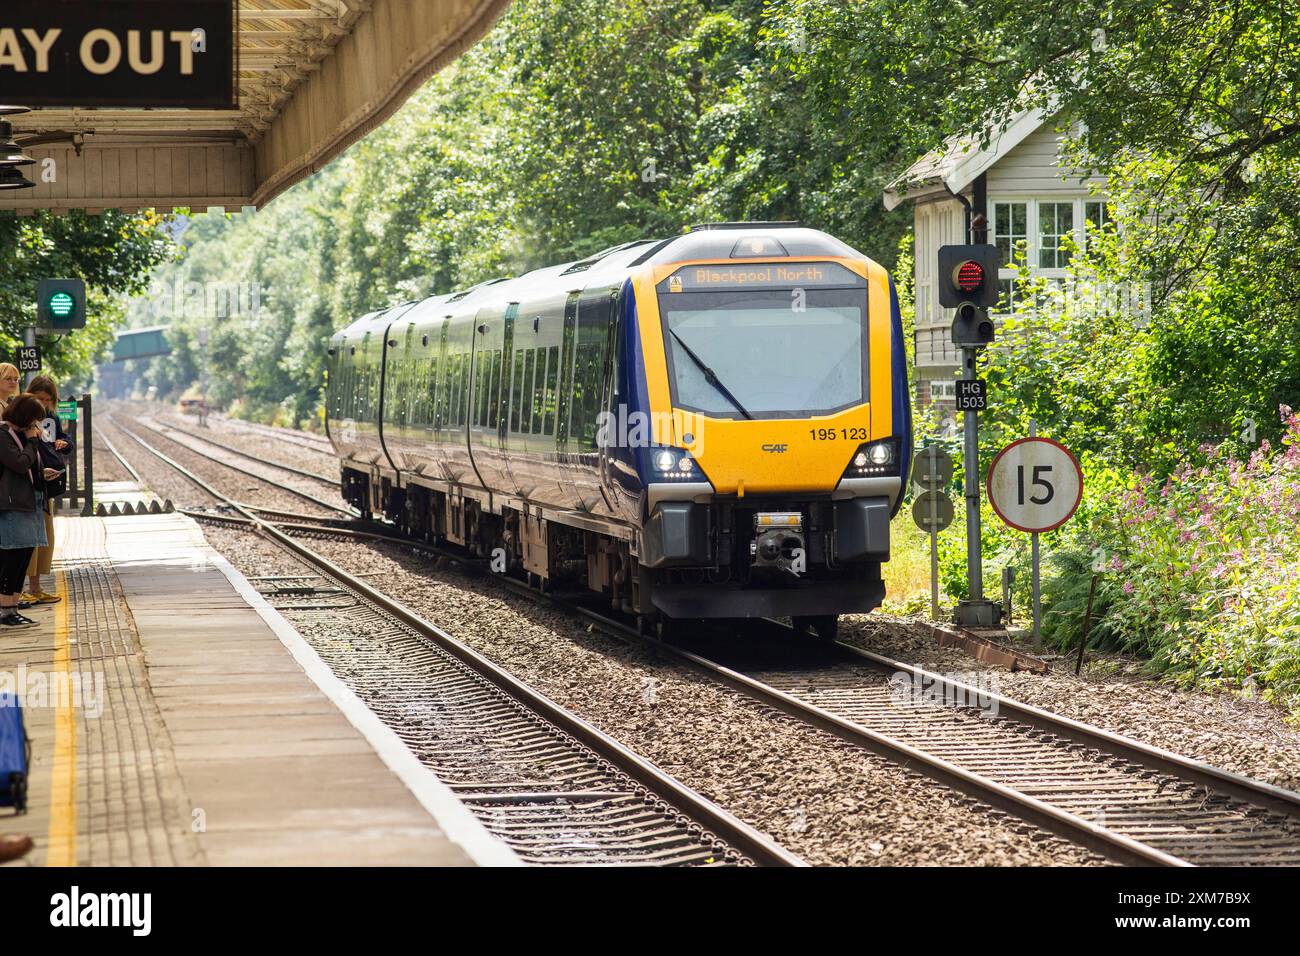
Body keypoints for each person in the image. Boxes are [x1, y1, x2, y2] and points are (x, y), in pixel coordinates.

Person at [0, 395, 49, 627]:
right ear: (24, 416)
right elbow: (19, 463)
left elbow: (28, 465)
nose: (35, 426)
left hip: (28, 502)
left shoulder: (20, 435)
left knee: (24, 556)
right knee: (13, 557)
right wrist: (32, 443)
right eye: (33, 420)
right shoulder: (3, 435)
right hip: (13, 504)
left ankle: (13, 607)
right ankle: (5, 609)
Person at [23, 377, 69, 605]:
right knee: (29, 536)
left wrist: (63, 443)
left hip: (46, 483)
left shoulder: (51, 417)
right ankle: (22, 589)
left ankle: (36, 586)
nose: (43, 403)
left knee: (45, 536)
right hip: (29, 483)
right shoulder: (22, 416)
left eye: (47, 400)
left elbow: (61, 438)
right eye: (39, 398)